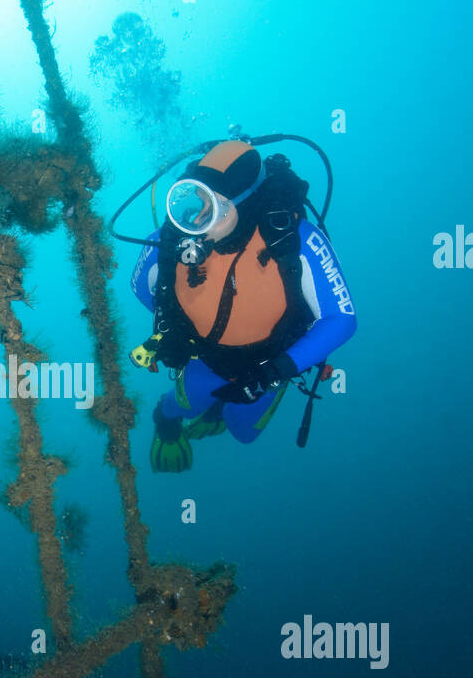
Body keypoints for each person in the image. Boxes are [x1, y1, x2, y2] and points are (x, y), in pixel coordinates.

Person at [129, 139, 357, 471]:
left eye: (217, 208)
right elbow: (140, 286)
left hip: (266, 367)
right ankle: (166, 425)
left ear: (247, 203)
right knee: (179, 406)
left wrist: (274, 372)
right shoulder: (171, 238)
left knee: (244, 432)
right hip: (201, 359)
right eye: (200, 201)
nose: (200, 220)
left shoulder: (295, 241)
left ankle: (218, 412)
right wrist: (173, 330)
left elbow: (342, 318)